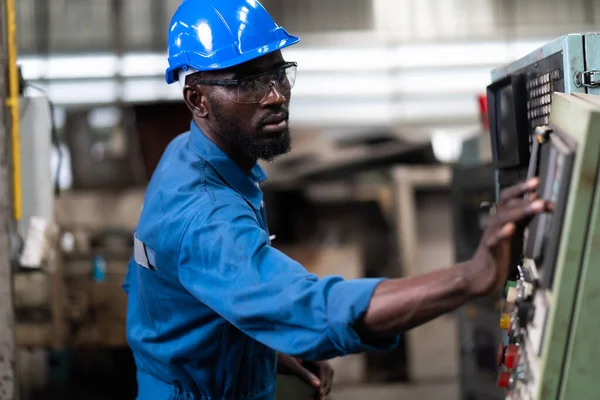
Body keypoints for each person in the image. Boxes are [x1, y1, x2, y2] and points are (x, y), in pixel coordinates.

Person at [123, 1, 548, 399]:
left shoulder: (189, 153)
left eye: (279, 72)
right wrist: (471, 277)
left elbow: (182, 295)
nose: (276, 95)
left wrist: (264, 346)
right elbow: (311, 309)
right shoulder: (204, 214)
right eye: (249, 81)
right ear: (197, 100)